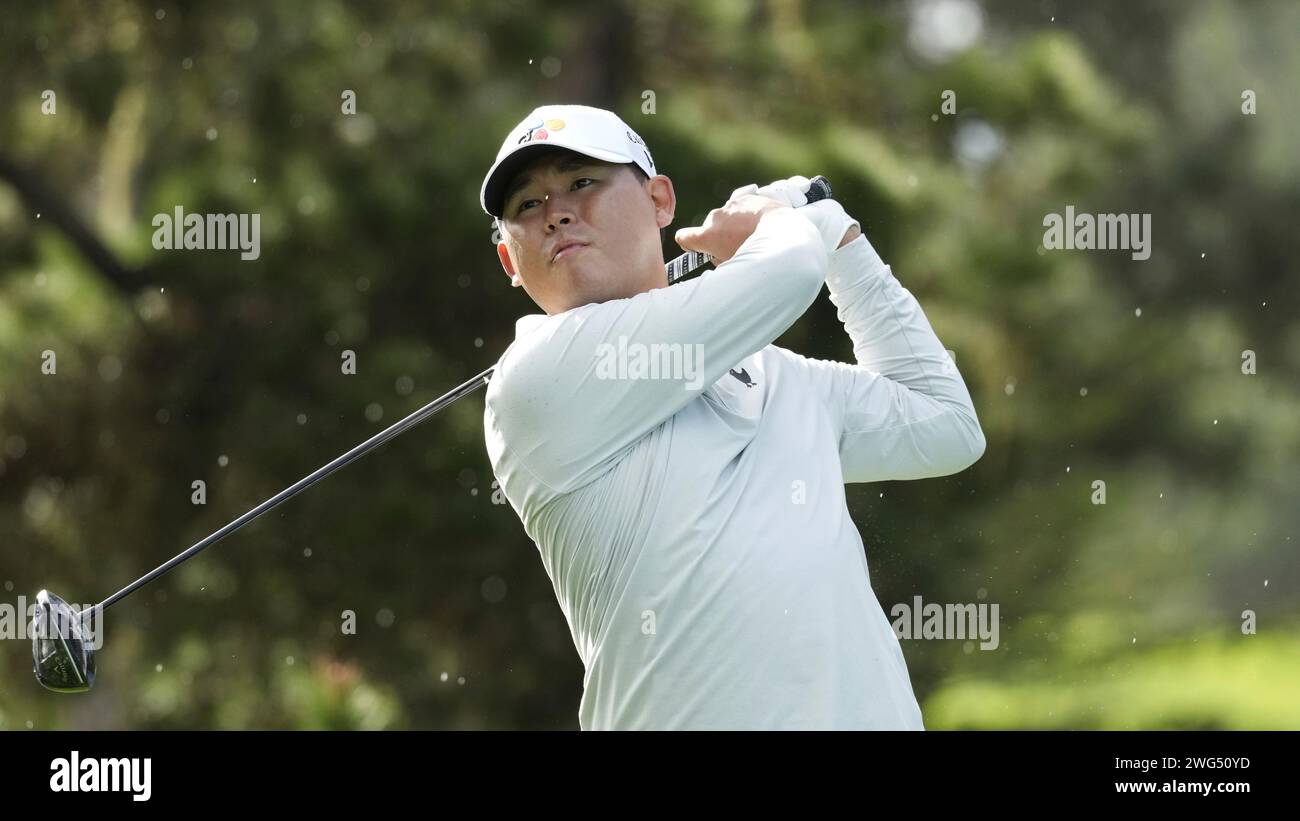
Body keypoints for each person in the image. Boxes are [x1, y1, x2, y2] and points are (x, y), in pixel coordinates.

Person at [479, 103, 986, 729]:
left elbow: (946, 425)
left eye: (582, 182)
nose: (556, 212)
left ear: (660, 201)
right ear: (510, 261)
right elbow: (788, 270)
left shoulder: (778, 376)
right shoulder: (536, 378)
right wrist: (782, 220)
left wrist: (843, 241)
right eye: (527, 205)